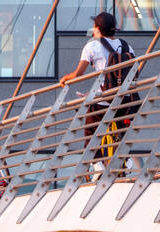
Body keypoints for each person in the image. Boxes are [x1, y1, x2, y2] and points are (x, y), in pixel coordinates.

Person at [59, 12, 135, 172]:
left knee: (90, 127)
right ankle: (127, 162)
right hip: (126, 99)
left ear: (98, 28)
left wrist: (65, 78)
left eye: (94, 26)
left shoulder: (92, 46)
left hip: (104, 99)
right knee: (123, 128)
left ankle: (97, 165)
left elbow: (78, 74)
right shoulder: (127, 46)